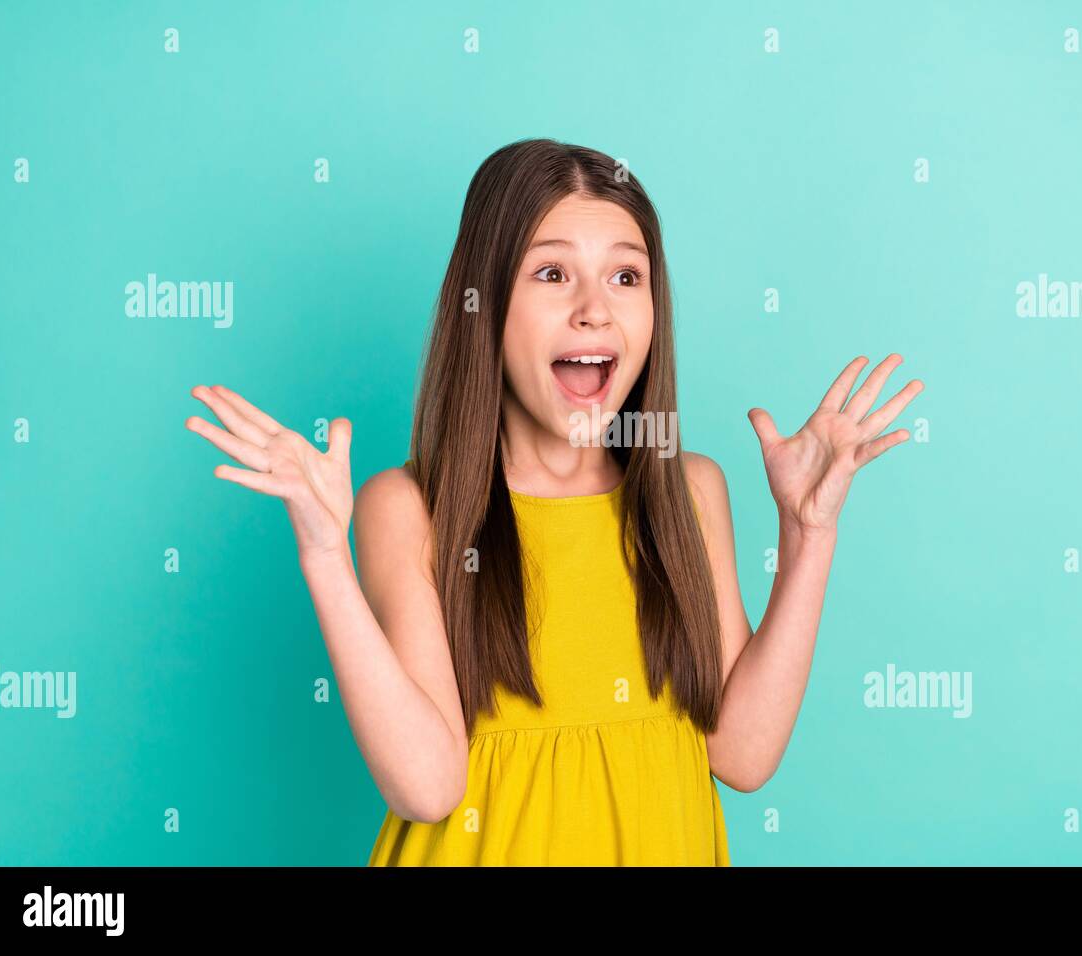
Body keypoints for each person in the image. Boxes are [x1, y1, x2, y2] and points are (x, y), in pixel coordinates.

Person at [184, 138, 924, 865]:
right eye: (552, 273)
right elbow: (428, 786)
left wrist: (807, 534)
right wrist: (322, 553)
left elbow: (743, 753)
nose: (595, 310)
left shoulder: (691, 494)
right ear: (485, 303)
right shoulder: (410, 508)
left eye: (626, 278)